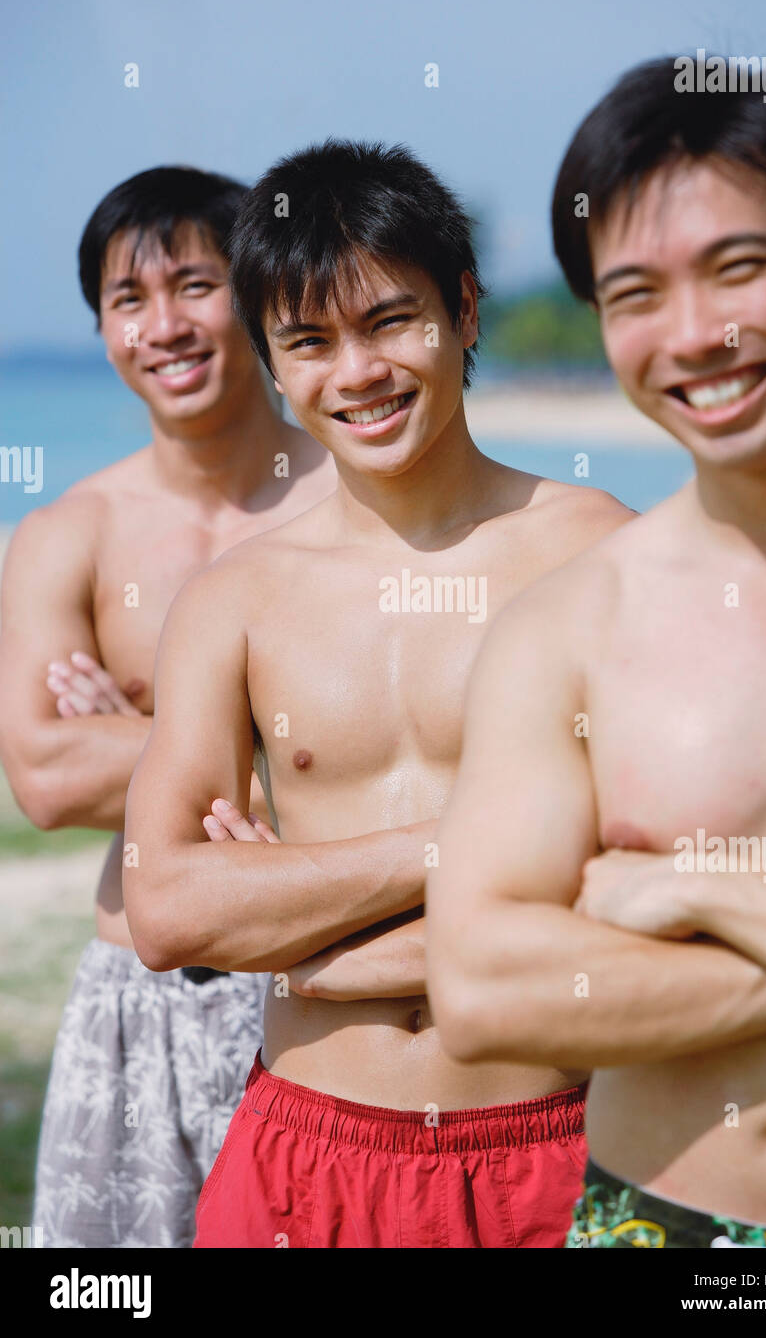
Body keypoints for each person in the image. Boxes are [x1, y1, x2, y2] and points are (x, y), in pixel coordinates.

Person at [123, 139, 633, 1249]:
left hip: (548, 1149)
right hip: (304, 1155)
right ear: (269, 359)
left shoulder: (598, 557)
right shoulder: (235, 599)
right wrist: (471, 848)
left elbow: (648, 886)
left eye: (390, 322)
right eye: (307, 341)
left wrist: (292, 933)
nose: (354, 374)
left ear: (463, 309)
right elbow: (166, 911)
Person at [428, 58, 766, 1249]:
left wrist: (698, 884)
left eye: (736, 267)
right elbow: (481, 986)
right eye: (632, 293)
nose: (692, 336)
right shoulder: (569, 624)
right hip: (648, 1222)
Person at [0, 165, 336, 1247]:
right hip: (129, 995)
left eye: (193, 284)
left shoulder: (351, 506)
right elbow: (46, 779)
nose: (163, 326)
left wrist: (135, 737)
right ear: (101, 327)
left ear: (254, 290)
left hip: (318, 995)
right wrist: (268, 749)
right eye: (126, 299)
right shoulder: (68, 533)